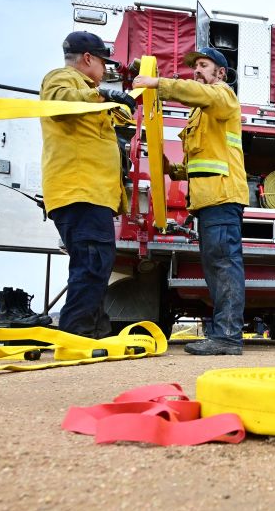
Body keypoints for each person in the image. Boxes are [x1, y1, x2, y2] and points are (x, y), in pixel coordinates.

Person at [133, 48, 246, 355]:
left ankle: (227, 337)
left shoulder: (223, 96)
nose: (196, 70)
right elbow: (204, 160)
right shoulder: (202, 112)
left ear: (220, 73)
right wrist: (172, 169)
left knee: (223, 265)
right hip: (210, 199)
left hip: (222, 197)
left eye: (203, 65)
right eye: (195, 66)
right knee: (217, 266)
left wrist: (158, 83)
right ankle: (224, 334)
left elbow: (196, 93)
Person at [39, 31, 136, 338]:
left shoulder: (89, 91)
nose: (106, 70)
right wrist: (106, 95)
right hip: (79, 191)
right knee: (92, 262)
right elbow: (61, 103)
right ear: (88, 58)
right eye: (103, 62)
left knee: (97, 263)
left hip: (92, 194)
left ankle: (96, 330)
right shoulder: (61, 79)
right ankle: (76, 334)